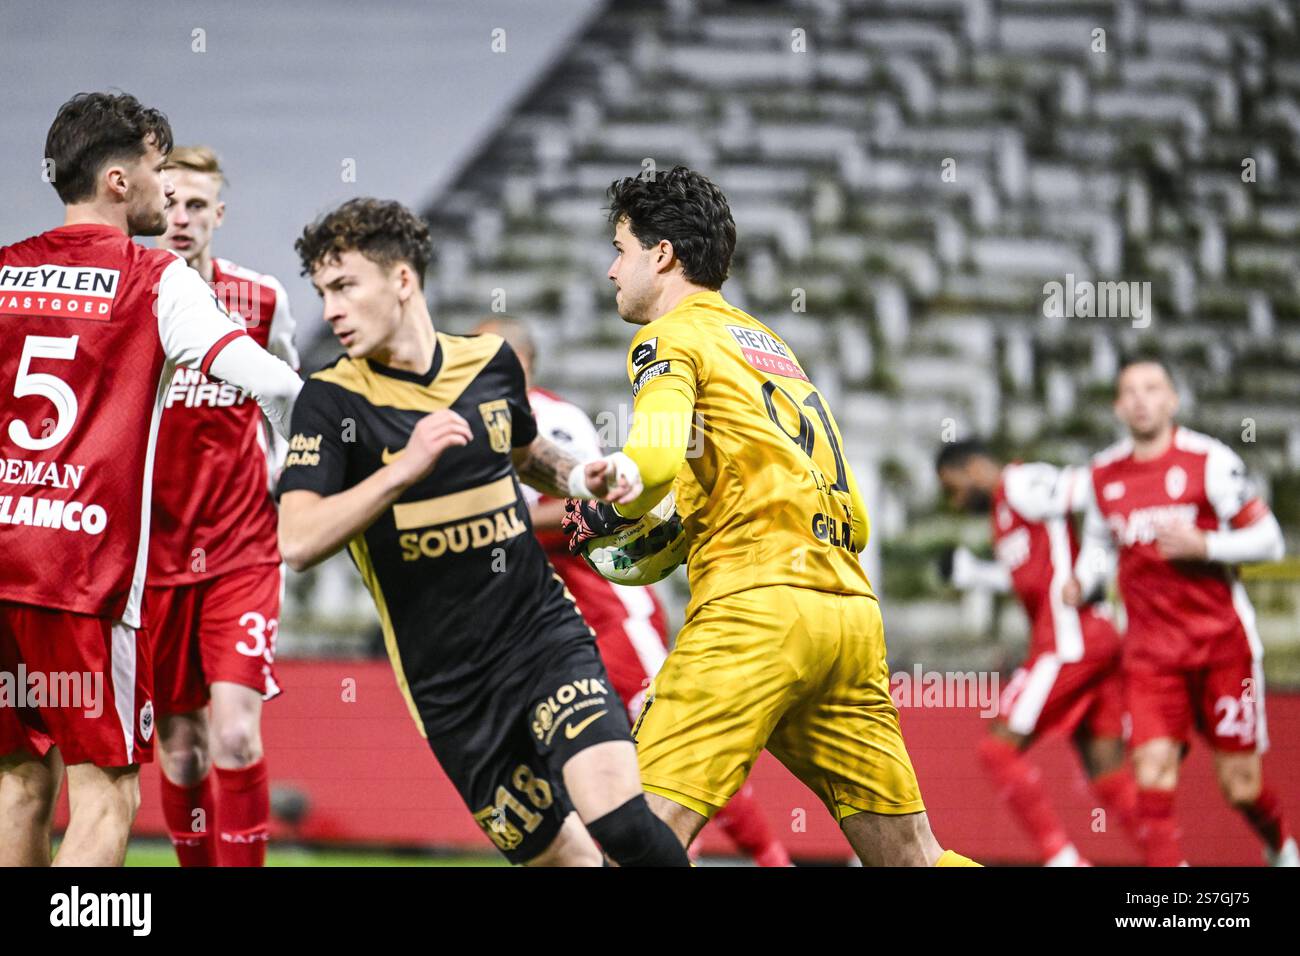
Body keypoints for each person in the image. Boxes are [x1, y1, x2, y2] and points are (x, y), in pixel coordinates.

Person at [564, 167, 977, 866]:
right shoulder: (771, 350)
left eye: (621, 248)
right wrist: (664, 532)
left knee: (637, 840)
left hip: (754, 613)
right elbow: (842, 514)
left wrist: (616, 494)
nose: (611, 270)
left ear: (661, 254)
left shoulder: (667, 339)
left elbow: (655, 461)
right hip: (846, 615)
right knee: (913, 856)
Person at [276, 198, 688, 866]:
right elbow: (297, 540)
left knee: (619, 820)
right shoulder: (330, 401)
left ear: (402, 280)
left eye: (346, 286)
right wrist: (403, 469)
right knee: (572, 863)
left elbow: (528, 456)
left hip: (540, 637)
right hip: (450, 689)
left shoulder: (490, 364)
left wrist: (585, 478)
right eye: (323, 293)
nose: (330, 311)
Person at [0, 92, 301, 866]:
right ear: (117, 179)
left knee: (20, 782)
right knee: (108, 795)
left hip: (4, 566)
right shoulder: (154, 278)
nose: (166, 188)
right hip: (84, 581)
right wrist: (321, 442)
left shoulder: (3, 271)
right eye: (157, 167)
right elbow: (269, 381)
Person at [476, 315, 792, 866]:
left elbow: (581, 506)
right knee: (598, 765)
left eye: (487, 354)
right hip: (552, 623)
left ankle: (770, 856)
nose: (474, 366)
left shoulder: (548, 416)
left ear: (520, 361)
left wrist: (502, 525)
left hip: (610, 613)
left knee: (672, 740)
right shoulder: (480, 426)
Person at [1065, 358, 1296, 866]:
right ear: (1118, 406)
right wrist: (1086, 579)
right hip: (1151, 655)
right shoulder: (1104, 476)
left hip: (1221, 648)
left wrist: (1207, 544)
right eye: (1130, 391)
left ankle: (1281, 846)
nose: (1142, 399)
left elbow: (1270, 539)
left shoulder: (1209, 461)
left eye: (1153, 388)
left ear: (1172, 399)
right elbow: (1099, 545)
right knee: (1150, 772)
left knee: (1240, 787)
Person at [147, 145, 300, 866]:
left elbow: (289, 406)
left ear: (219, 215)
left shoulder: (262, 300)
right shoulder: (130, 301)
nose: (181, 219)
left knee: (236, 732)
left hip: (240, 549)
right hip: (153, 561)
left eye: (197, 206)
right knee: (181, 752)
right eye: (170, 203)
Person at [936, 440, 1149, 865]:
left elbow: (1091, 487)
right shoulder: (1004, 516)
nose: (956, 501)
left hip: (1070, 642)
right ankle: (1170, 861)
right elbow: (1030, 573)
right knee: (1108, 775)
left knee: (997, 749)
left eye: (955, 487)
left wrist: (1093, 568)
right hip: (1094, 643)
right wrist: (973, 572)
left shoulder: (1019, 482)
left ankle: (1061, 859)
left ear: (976, 467)